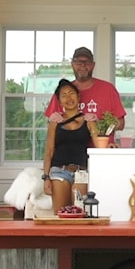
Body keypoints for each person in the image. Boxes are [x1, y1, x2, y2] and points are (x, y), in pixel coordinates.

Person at [45, 46, 127, 141]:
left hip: (100, 151)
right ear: (72, 64)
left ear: (93, 65)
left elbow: (121, 124)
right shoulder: (63, 91)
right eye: (78, 62)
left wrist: (100, 123)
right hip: (69, 151)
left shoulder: (108, 89)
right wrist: (51, 119)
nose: (82, 65)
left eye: (87, 62)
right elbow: (50, 123)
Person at [42, 79, 99, 211]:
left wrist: (97, 123)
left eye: (71, 93)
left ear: (78, 96)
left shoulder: (88, 120)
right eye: (64, 95)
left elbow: (99, 144)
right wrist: (45, 178)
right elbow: (49, 151)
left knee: (80, 211)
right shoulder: (55, 122)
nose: (68, 98)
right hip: (59, 170)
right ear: (59, 101)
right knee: (61, 213)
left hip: (81, 170)